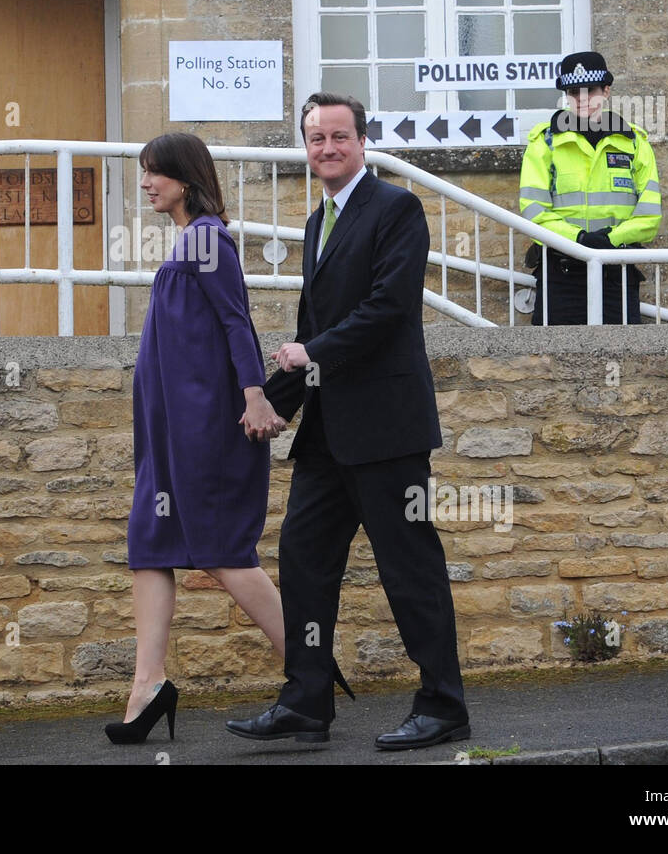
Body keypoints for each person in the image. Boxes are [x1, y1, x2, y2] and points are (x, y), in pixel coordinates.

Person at [225, 93, 469, 751]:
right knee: (303, 560)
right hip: (329, 435)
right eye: (314, 138)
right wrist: (272, 401)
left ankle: (443, 704)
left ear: (362, 140)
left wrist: (315, 354)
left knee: (409, 566)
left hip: (388, 429)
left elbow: (389, 308)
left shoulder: (397, 209)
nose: (326, 147)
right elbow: (312, 330)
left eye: (338, 136)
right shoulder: (316, 222)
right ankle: (306, 700)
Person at [107, 132, 288, 744]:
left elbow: (237, 321)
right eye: (144, 172)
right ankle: (147, 685)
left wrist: (255, 395)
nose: (147, 183)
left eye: (155, 173)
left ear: (185, 178)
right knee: (151, 542)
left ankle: (307, 664)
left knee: (220, 547)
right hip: (168, 431)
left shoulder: (208, 237)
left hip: (203, 427)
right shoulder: (188, 239)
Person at [519, 51, 662, 325]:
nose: (582, 99)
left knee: (626, 357)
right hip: (560, 275)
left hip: (616, 273)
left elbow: (650, 215)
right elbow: (534, 212)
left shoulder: (634, 143)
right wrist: (580, 239)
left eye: (591, 90)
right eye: (574, 92)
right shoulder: (544, 142)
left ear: (606, 91)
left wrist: (610, 239)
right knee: (553, 360)